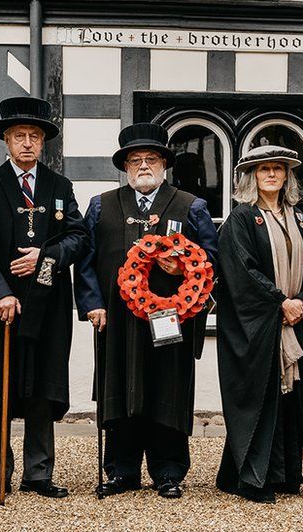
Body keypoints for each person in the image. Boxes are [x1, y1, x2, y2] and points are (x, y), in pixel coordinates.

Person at [74, 123, 218, 499]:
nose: (143, 165)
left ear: (164, 164)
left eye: (151, 158)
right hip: (117, 319)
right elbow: (85, 260)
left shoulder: (191, 206)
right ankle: (121, 471)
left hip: (171, 319)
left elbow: (212, 260)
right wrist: (92, 305)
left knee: (166, 387)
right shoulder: (101, 205)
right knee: (119, 389)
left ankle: (168, 470)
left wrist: (183, 267)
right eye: (135, 159)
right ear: (125, 166)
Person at [0, 96, 88, 500]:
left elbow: (78, 238)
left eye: (34, 136)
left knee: (42, 386)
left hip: (48, 304)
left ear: (43, 142)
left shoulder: (60, 187)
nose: (26, 143)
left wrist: (45, 256)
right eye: (19, 136)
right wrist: (0, 293)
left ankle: (39, 473)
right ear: (6, 140)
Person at [214, 146, 303, 504]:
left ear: (286, 176)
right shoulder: (241, 219)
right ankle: (254, 478)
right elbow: (241, 271)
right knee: (262, 399)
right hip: (258, 325)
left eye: (278, 169)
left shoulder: (300, 219)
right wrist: (279, 302)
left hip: (296, 321)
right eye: (263, 169)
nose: (271, 174)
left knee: (292, 397)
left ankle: (286, 473)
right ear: (252, 176)